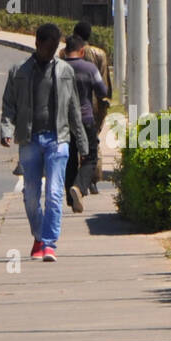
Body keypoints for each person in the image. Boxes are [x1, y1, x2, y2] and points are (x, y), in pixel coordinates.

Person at [0, 23, 89, 262]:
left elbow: (73, 109)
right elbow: (9, 104)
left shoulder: (64, 71)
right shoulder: (19, 71)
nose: (51, 52)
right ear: (37, 43)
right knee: (31, 195)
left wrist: (81, 142)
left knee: (54, 191)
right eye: (48, 47)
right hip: (29, 140)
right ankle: (39, 236)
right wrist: (6, 130)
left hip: (57, 139)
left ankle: (49, 243)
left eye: (55, 48)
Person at [61, 34, 110, 210]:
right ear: (82, 51)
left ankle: (70, 197)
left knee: (70, 158)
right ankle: (79, 188)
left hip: (64, 121)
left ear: (65, 51)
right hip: (85, 118)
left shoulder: (58, 68)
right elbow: (102, 90)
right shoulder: (90, 69)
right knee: (90, 157)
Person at [73, 20, 112, 194]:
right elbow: (104, 83)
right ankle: (94, 180)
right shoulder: (100, 54)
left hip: (75, 104)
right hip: (95, 105)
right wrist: (104, 103)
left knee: (75, 141)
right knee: (94, 141)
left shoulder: (65, 54)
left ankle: (78, 180)